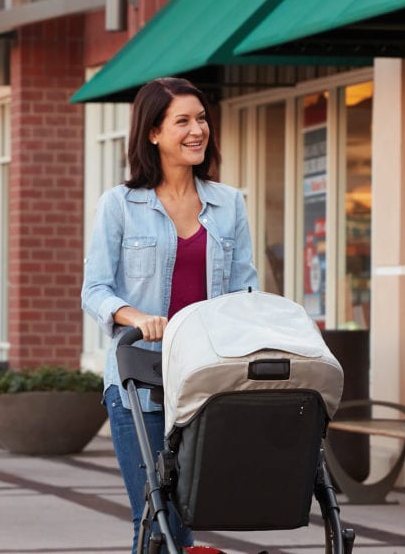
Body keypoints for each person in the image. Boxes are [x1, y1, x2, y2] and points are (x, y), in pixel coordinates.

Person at [81, 77, 259, 551]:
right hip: (140, 383)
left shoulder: (229, 205)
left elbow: (245, 289)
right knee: (156, 514)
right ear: (154, 133)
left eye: (201, 118)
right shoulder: (119, 205)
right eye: (182, 121)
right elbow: (94, 290)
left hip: (206, 381)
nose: (197, 129)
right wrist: (136, 316)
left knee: (186, 511)